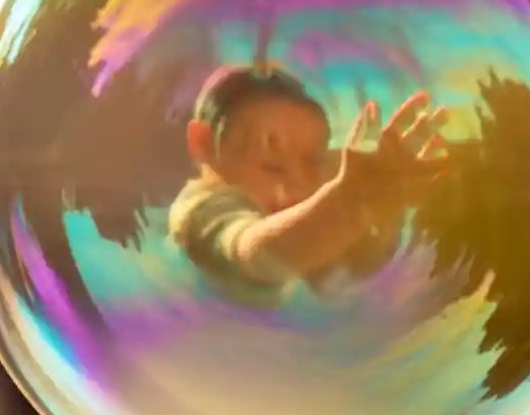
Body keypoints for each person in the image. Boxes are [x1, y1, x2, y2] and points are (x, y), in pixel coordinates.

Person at [169, 65, 447, 303]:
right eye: (271, 166)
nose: (298, 187)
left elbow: (349, 272)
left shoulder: (308, 210)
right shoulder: (202, 210)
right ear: (203, 144)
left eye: (312, 163)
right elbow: (254, 251)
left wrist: (385, 221)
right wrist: (348, 205)